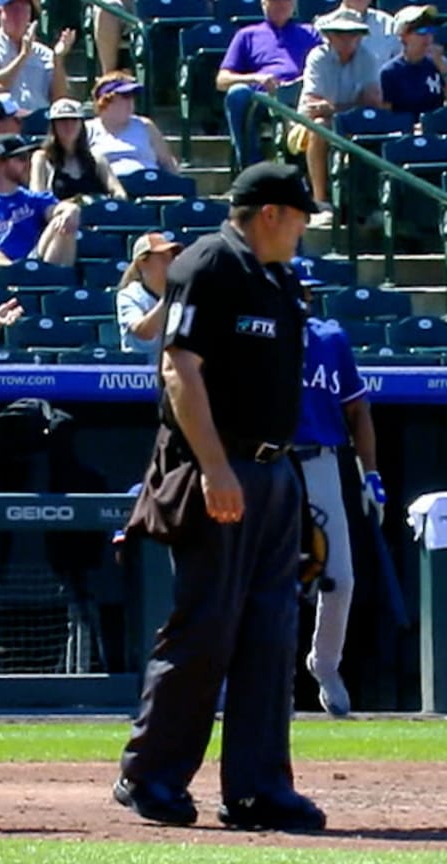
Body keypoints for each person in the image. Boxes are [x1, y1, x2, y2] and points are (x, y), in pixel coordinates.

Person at [115, 162, 323, 832]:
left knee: (270, 633)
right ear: (271, 214)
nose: (301, 233)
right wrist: (213, 467)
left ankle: (259, 788)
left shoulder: (278, 279)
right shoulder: (209, 264)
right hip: (219, 468)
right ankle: (150, 776)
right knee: (206, 625)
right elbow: (179, 367)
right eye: (298, 219)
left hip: (272, 471)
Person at [293, 306, 383, 719]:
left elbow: (357, 410)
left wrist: (371, 474)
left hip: (322, 459)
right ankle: (261, 678)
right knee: (266, 578)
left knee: (340, 578)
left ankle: (325, 664)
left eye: (307, 291)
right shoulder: (258, 334)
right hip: (266, 463)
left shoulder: (331, 338)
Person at [291, 10, 384, 225]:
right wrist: (349, 106)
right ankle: (320, 203)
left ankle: (371, 207)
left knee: (373, 127)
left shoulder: (368, 58)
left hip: (354, 122)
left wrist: (334, 108)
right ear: (329, 36)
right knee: (321, 126)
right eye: (340, 33)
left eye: (353, 34)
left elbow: (373, 102)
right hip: (309, 122)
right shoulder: (318, 57)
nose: (347, 39)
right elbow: (314, 106)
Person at [218, 0, 322, 170]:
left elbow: (326, 67)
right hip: (263, 99)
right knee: (237, 94)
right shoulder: (247, 35)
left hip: (301, 96)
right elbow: (222, 80)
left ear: (294, 5)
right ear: (263, 4)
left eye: (286, 1)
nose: (280, 5)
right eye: (274, 1)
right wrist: (256, 78)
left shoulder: (311, 34)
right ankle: (251, 168)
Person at [0, 134, 80, 267]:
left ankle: (56, 279)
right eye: (21, 159)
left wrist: (71, 209)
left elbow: (56, 210)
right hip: (0, 273)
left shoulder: (34, 199)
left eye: (27, 158)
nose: (27, 164)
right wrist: (12, 268)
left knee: (65, 219)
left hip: (37, 263)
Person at [0, 0, 73, 114]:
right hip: (6, 120)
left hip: (41, 120)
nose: (18, 15)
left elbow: (60, 98)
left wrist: (58, 59)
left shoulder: (44, 53)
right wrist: (23, 55)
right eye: (12, 9)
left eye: (24, 9)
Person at [87, 72, 180, 178]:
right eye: (125, 96)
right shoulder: (89, 129)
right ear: (105, 101)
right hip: (110, 188)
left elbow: (168, 162)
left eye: (132, 96)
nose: (131, 101)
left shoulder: (145, 125)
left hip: (149, 184)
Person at [33, 97, 125, 201]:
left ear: (81, 124)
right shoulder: (42, 158)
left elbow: (117, 190)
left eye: (74, 120)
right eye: (62, 120)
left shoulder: (96, 159)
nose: (68, 125)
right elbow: (37, 196)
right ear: (53, 126)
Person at [117, 232, 182, 354]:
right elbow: (144, 333)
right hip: (139, 369)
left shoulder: (185, 291)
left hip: (176, 368)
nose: (170, 262)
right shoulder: (130, 295)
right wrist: (170, 295)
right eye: (163, 258)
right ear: (142, 263)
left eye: (172, 257)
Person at [380, 5, 446, 116]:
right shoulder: (390, 72)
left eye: (431, 30)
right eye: (422, 31)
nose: (428, 37)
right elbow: (386, 116)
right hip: (405, 130)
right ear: (403, 35)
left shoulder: (440, 64)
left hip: (435, 131)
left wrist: (443, 69)